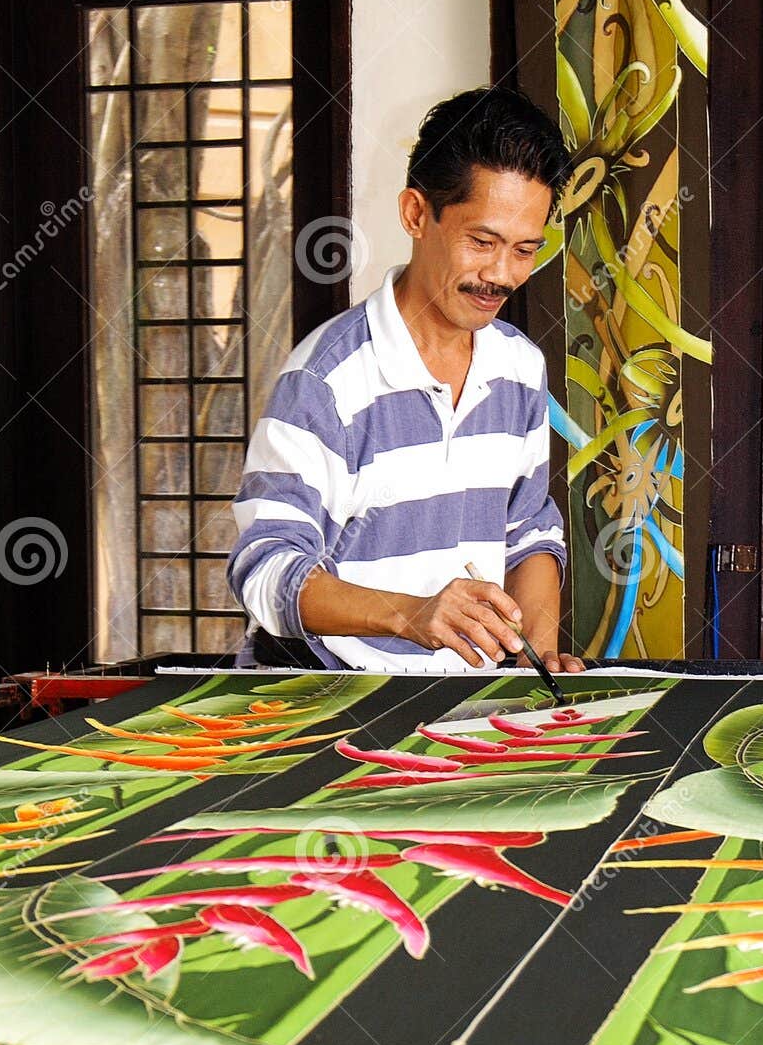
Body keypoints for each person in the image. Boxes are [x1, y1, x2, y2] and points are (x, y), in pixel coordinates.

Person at [228, 86, 585, 674]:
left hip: (459, 706)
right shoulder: (328, 378)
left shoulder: (519, 367)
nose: (501, 274)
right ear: (417, 214)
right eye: (482, 242)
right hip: (327, 701)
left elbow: (529, 533)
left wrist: (536, 657)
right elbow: (263, 568)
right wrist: (409, 614)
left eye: (525, 250)